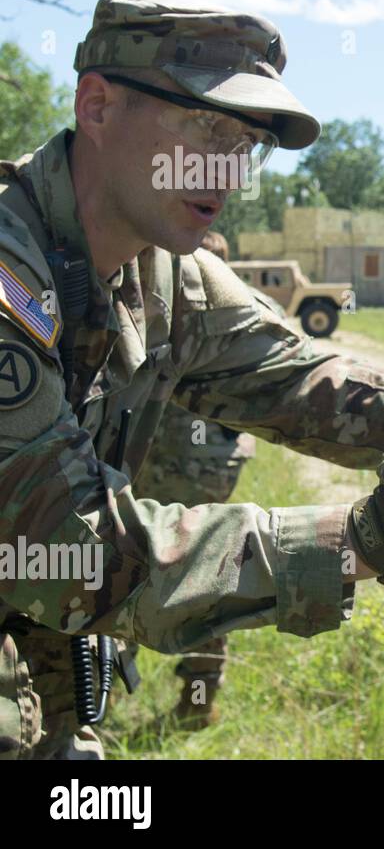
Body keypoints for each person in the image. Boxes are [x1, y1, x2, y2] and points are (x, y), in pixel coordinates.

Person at [0, 0, 384, 759]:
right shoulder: (12, 271)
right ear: (96, 107)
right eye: (206, 128)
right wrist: (361, 539)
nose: (229, 173)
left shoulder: (169, 274)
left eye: (247, 145)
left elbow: (306, 385)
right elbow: (71, 551)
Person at [130, 230, 256, 728]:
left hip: (172, 471)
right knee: (202, 580)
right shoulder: (240, 313)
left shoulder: (167, 315)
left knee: (134, 568)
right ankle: (195, 701)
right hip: (204, 473)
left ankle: (108, 691)